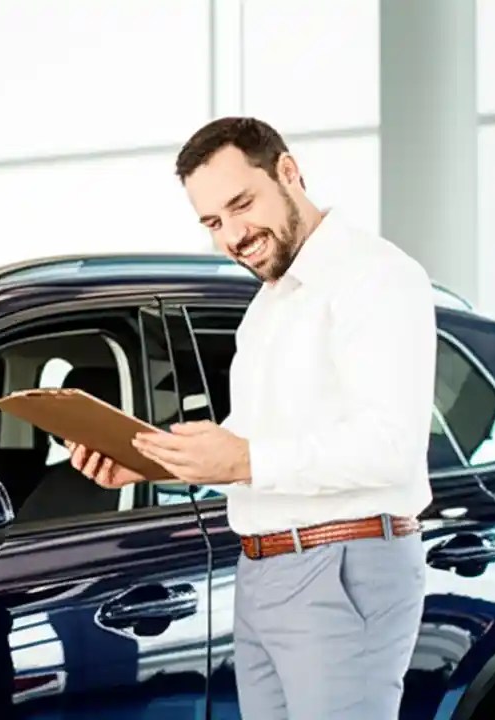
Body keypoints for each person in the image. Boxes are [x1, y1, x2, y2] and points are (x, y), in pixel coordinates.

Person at [66, 116, 436, 719]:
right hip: (264, 567)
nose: (233, 235)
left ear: (288, 172)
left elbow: (390, 444)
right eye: (213, 223)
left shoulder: (376, 277)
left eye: (241, 205)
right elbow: (247, 447)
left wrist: (243, 458)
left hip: (344, 566)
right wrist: (151, 465)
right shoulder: (268, 308)